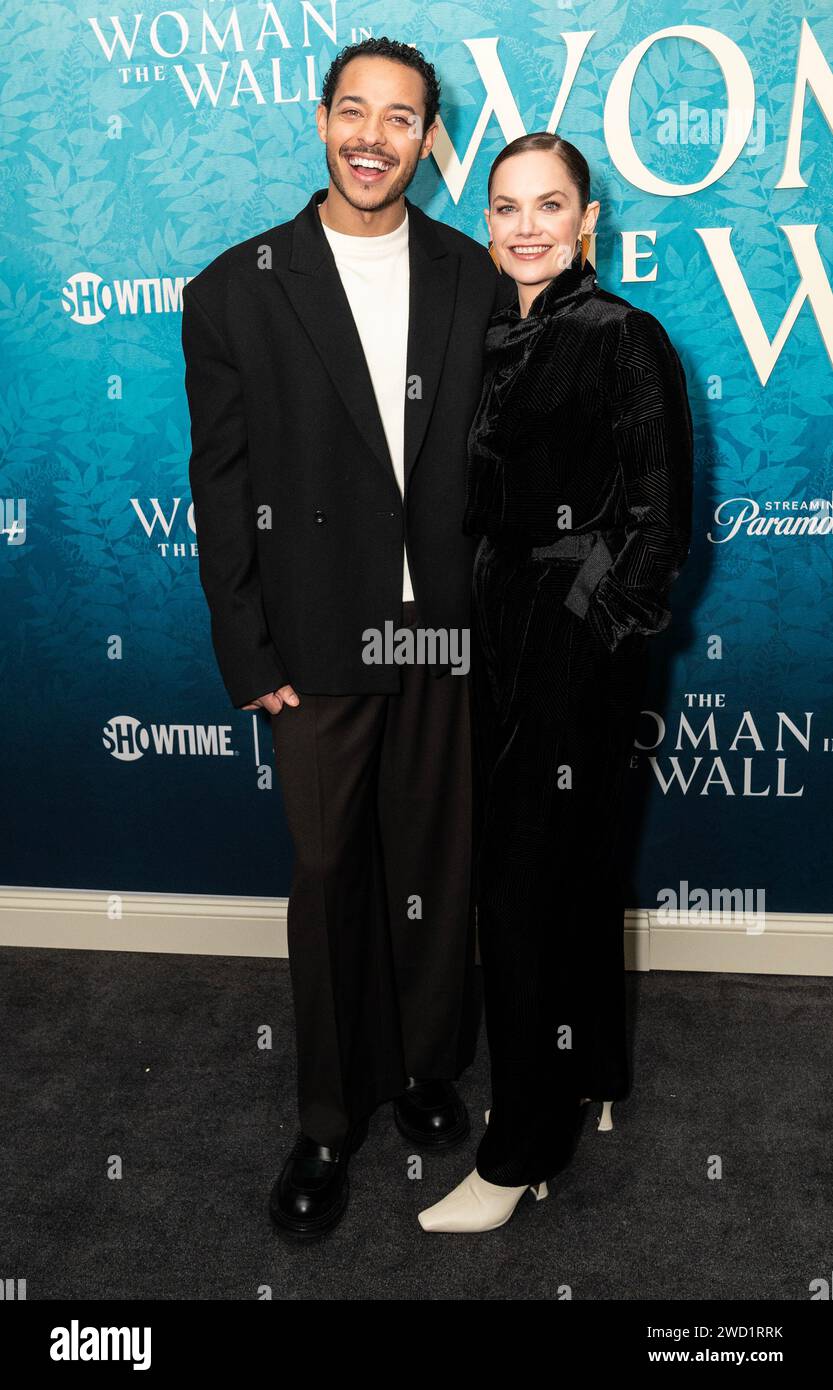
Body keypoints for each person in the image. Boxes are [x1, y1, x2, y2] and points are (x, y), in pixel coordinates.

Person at [182, 37, 515, 1240]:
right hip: (317, 641)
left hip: (442, 634)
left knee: (434, 862)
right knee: (327, 879)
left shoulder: (475, 274)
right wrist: (248, 649)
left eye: (402, 117)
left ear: (430, 138)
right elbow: (219, 487)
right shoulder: (233, 288)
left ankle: (424, 1067)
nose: (373, 137)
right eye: (353, 111)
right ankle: (328, 1114)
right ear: (320, 119)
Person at [419, 132, 694, 1233]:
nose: (524, 225)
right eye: (504, 207)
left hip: (573, 663)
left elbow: (659, 529)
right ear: (485, 223)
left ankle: (518, 1151)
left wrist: (584, 645)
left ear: (588, 222)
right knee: (567, 881)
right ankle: (595, 1074)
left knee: (526, 896)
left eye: (548, 205)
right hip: (487, 645)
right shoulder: (484, 337)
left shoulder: (623, 335)